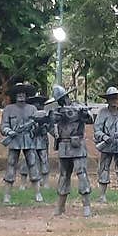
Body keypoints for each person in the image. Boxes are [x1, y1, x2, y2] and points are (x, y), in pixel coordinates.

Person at [48, 84, 94, 217]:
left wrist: (83, 114)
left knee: (81, 173)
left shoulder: (78, 107)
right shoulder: (56, 111)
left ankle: (86, 206)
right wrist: (56, 133)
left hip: (77, 145)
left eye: (62, 99)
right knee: (63, 175)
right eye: (59, 100)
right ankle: (60, 206)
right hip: (63, 145)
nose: (61, 102)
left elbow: (90, 119)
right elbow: (48, 124)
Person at [0, 83, 49, 204]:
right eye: (18, 93)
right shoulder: (8, 109)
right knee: (11, 165)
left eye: (23, 93)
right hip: (14, 141)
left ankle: (37, 193)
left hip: (29, 140)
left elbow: (37, 126)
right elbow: (4, 126)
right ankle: (7, 195)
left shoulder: (32, 109)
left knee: (33, 165)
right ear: (15, 95)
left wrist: (38, 125)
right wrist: (9, 131)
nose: (21, 95)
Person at [93, 86, 118, 203]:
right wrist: (104, 137)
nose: (114, 101)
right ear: (107, 100)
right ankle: (102, 195)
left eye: (116, 98)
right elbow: (97, 130)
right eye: (111, 99)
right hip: (107, 146)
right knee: (104, 169)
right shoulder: (102, 113)